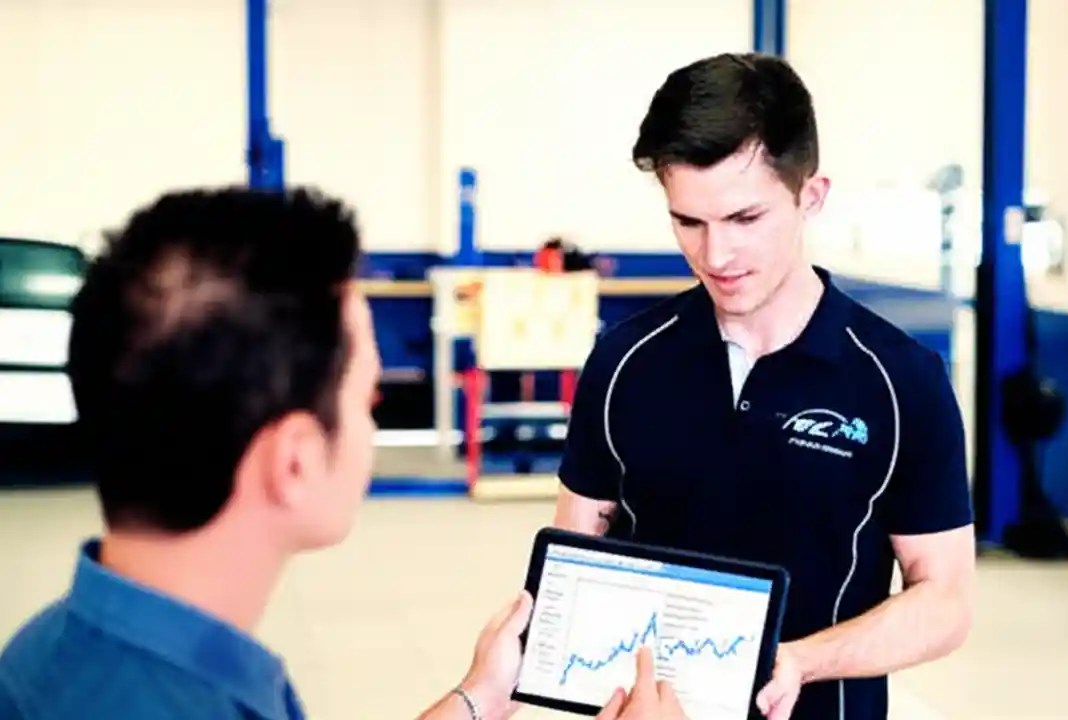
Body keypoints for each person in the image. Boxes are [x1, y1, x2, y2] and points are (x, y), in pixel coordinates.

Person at [0, 187, 684, 720]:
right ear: (293, 461)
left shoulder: (58, 651)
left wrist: (477, 698)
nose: (369, 426)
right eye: (366, 401)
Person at [553, 53, 976, 720]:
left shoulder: (901, 382)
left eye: (745, 219)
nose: (715, 256)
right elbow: (578, 555)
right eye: (688, 222)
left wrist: (804, 661)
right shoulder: (622, 363)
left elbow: (946, 599)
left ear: (811, 196)